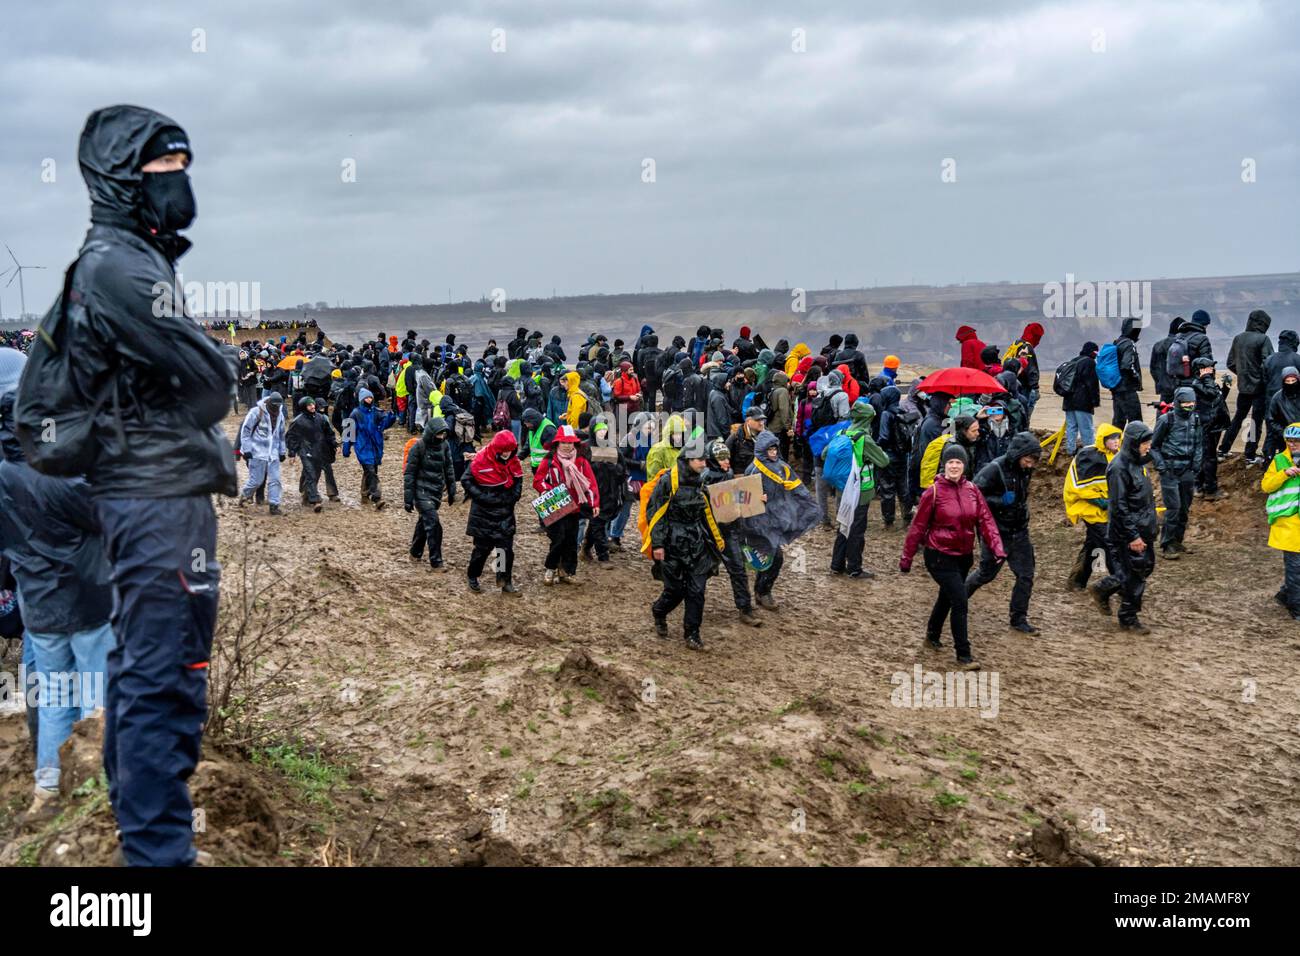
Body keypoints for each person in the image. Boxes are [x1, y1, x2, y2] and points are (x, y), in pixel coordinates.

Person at [59, 105, 236, 867]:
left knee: (143, 665)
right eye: (164, 169)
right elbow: (212, 381)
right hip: (155, 498)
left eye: (183, 166)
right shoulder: (122, 269)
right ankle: (160, 856)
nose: (180, 182)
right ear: (122, 179)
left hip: (147, 494)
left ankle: (147, 839)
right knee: (167, 674)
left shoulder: (127, 260)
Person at [0, 353, 114, 812]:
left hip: (38, 605)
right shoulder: (60, 472)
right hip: (87, 599)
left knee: (53, 699)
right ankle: (101, 792)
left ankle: (47, 790)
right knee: (97, 697)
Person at [900, 444, 1004, 670]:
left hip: (964, 556)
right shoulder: (933, 492)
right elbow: (917, 527)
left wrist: (997, 548)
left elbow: (986, 521)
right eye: (950, 462)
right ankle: (964, 655)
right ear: (944, 465)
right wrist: (906, 557)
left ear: (964, 465)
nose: (954, 466)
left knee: (947, 596)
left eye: (958, 462)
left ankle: (932, 633)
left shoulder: (972, 490)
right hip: (939, 555)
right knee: (959, 599)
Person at [646, 442, 726, 649]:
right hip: (672, 543)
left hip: (697, 542)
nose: (703, 463)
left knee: (697, 590)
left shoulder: (701, 483)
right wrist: (658, 544)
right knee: (675, 590)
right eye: (700, 460)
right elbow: (656, 515)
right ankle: (659, 611)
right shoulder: (667, 482)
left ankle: (692, 634)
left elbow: (707, 513)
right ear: (688, 460)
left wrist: (717, 541)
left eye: (705, 460)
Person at [964, 432, 1043, 633]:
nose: (1030, 465)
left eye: (1033, 461)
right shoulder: (994, 468)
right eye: (1028, 460)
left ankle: (1018, 618)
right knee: (986, 574)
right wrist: (1000, 501)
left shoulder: (1025, 470)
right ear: (1018, 455)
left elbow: (1020, 497)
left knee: (1026, 575)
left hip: (1020, 530)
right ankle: (956, 598)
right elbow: (972, 495)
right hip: (996, 532)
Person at [1090, 422, 1158, 632]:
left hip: (1143, 527)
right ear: (1134, 443)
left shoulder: (1137, 462)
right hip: (1128, 533)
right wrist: (1133, 536)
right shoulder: (1119, 468)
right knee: (1134, 575)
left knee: (1143, 568)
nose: (1149, 446)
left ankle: (1104, 588)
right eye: (1145, 442)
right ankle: (1128, 618)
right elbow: (1119, 507)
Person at [743, 430, 821, 609]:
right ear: (762, 450)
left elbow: (796, 486)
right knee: (774, 557)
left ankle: (761, 591)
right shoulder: (753, 469)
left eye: (775, 449)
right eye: (770, 450)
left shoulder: (781, 466)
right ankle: (763, 592)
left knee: (771, 558)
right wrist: (756, 498)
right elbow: (743, 498)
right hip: (758, 521)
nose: (774, 452)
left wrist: (808, 505)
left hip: (774, 519)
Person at [701, 440, 761, 626]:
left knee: (738, 570)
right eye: (721, 458)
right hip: (708, 532)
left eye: (727, 457)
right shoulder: (704, 477)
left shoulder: (727, 474)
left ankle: (745, 608)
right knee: (701, 572)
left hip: (729, 530)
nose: (726, 461)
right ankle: (692, 603)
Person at [830, 401, 890, 579]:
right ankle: (854, 568)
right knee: (857, 529)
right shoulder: (864, 438)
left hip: (842, 487)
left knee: (843, 524)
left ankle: (836, 564)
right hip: (860, 490)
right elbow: (883, 461)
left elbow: (826, 453)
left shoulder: (842, 433)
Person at [533, 424, 599, 585]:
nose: (567, 445)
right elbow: (538, 481)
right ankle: (550, 568)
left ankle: (565, 571)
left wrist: (594, 503)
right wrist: (552, 492)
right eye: (564, 442)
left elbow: (591, 483)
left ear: (574, 444)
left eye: (570, 443)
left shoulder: (581, 461)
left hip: (575, 508)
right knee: (558, 539)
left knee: (571, 540)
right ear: (557, 443)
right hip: (556, 505)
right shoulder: (550, 460)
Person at [463, 430, 524, 594]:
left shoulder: (513, 461)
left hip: (505, 512)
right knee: (482, 549)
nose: (506, 454)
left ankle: (504, 580)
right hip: (484, 514)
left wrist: (514, 496)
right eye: (503, 450)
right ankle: (473, 576)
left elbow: (518, 479)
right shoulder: (481, 460)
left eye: (509, 450)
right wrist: (483, 497)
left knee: (504, 550)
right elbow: (466, 480)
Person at [1064, 423, 1123, 591]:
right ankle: (1119, 581)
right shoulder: (1087, 457)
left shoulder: (1119, 456)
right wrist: (1101, 502)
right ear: (1102, 440)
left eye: (1117, 438)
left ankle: (1076, 580)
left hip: (1109, 510)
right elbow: (1080, 487)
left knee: (1093, 544)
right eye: (1111, 439)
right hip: (1089, 509)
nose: (1116, 442)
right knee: (1109, 543)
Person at [1150, 386, 1202, 559]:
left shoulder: (1196, 419)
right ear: (1178, 402)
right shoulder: (1166, 420)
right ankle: (1166, 544)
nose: (1189, 405)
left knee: (1184, 509)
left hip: (1188, 469)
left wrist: (1196, 463)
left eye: (1192, 402)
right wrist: (1161, 467)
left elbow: (1199, 443)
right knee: (1173, 508)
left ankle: (1177, 541)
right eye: (1186, 402)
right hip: (1170, 470)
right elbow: (1154, 446)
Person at [1220, 309, 1273, 463]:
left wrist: (1243, 375)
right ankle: (1250, 455)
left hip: (1243, 389)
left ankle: (1223, 449)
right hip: (1260, 390)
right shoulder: (1263, 339)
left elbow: (1230, 363)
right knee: (1256, 422)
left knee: (1237, 419)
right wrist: (1261, 379)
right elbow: (1268, 364)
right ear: (1263, 324)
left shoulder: (1238, 338)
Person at [404, 415, 456, 570]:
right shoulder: (418, 447)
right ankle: (436, 561)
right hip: (421, 493)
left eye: (443, 434)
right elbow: (409, 474)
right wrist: (408, 498)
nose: (441, 437)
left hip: (435, 491)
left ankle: (415, 552)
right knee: (434, 524)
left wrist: (452, 489)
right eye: (439, 433)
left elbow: (449, 468)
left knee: (424, 523)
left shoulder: (444, 445)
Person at [1261, 423, 1300, 621]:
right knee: (1295, 569)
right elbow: (1266, 486)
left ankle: (1285, 595)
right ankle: (1296, 608)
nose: (1293, 445)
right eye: (1290, 441)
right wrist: (1284, 475)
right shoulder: (1279, 461)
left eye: (1297, 441)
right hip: (1289, 525)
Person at [343, 387, 396, 509]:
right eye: (367, 397)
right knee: (371, 471)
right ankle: (377, 498)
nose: (369, 399)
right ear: (362, 399)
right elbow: (348, 432)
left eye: (371, 397)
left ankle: (364, 495)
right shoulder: (355, 413)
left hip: (375, 446)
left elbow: (384, 424)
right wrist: (346, 449)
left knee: (370, 471)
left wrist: (391, 416)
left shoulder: (376, 412)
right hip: (362, 447)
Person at [285, 396, 339, 511]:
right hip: (305, 451)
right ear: (304, 407)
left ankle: (306, 495)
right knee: (310, 473)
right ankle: (315, 501)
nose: (313, 406)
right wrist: (292, 453)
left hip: (319, 450)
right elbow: (291, 437)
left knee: (316, 474)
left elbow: (329, 433)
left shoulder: (321, 418)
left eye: (313, 404)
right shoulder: (298, 421)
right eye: (309, 405)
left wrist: (334, 444)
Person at [238, 391, 288, 514]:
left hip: (273, 453)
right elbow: (245, 431)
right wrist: (247, 449)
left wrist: (282, 451)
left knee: (275, 480)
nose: (276, 407)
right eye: (274, 405)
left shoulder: (280, 414)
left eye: (278, 405)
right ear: (269, 402)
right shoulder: (256, 412)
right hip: (257, 452)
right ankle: (244, 496)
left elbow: (281, 434)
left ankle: (274, 505)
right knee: (256, 480)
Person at [582, 421, 624, 565]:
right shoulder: (586, 447)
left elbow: (623, 470)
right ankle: (603, 555)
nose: (602, 433)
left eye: (605, 430)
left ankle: (586, 547)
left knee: (598, 522)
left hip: (610, 492)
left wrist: (613, 468)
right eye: (599, 430)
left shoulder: (613, 447)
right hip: (592, 492)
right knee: (598, 522)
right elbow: (581, 469)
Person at [875, 384, 917, 529]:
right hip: (903, 456)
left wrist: (875, 445)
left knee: (887, 488)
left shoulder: (886, 414)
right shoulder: (902, 412)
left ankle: (889, 521)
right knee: (902, 488)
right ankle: (907, 516)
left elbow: (884, 437)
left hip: (888, 456)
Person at [1191, 358, 1230, 500]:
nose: (1212, 370)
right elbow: (1211, 394)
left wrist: (1225, 388)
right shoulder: (1198, 384)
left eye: (1212, 368)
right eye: (1208, 368)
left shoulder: (1207, 384)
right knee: (1209, 459)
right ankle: (1210, 490)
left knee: (1205, 457)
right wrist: (1206, 377)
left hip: (1213, 426)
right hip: (1206, 426)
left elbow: (1216, 399)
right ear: (1200, 371)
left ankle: (1198, 486)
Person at [1061, 341, 1101, 455]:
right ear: (1091, 351)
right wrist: (1095, 401)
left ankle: (1070, 451)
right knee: (1086, 429)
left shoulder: (1074, 360)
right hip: (1082, 402)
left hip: (1068, 401)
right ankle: (1090, 452)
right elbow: (1092, 384)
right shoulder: (1089, 362)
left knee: (1071, 428)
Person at [1111, 317, 1145, 427]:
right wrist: (1136, 377)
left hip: (1116, 388)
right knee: (1136, 421)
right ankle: (1135, 444)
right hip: (1127, 389)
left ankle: (1113, 443)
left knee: (1118, 420)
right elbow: (1127, 365)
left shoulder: (1117, 342)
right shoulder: (1129, 344)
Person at [1264, 365, 1300, 462]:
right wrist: (1284, 432)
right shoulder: (1277, 398)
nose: (1291, 383)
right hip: (1287, 440)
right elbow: (1271, 419)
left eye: (1293, 381)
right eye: (1287, 381)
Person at [1150, 317, 1183, 404]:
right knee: (1181, 415)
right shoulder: (1182, 345)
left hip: (1164, 388)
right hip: (1180, 388)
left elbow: (1153, 369)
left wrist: (1160, 382)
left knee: (1163, 413)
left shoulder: (1157, 345)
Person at [726, 406, 767, 475]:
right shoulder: (735, 438)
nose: (761, 423)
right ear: (748, 421)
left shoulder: (768, 436)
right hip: (743, 478)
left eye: (762, 420)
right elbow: (725, 462)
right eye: (757, 420)